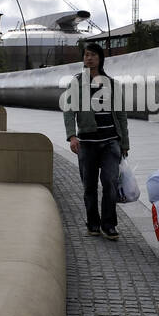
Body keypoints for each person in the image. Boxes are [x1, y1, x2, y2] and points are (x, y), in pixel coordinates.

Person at [63, 43, 129, 240]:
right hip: (87, 143)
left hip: (111, 142)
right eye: (86, 55)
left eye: (92, 55)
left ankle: (109, 224)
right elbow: (68, 111)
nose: (88, 58)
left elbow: (121, 114)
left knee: (109, 182)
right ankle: (93, 222)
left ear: (100, 58)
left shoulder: (112, 83)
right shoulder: (76, 82)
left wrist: (124, 143)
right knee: (89, 186)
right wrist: (72, 136)